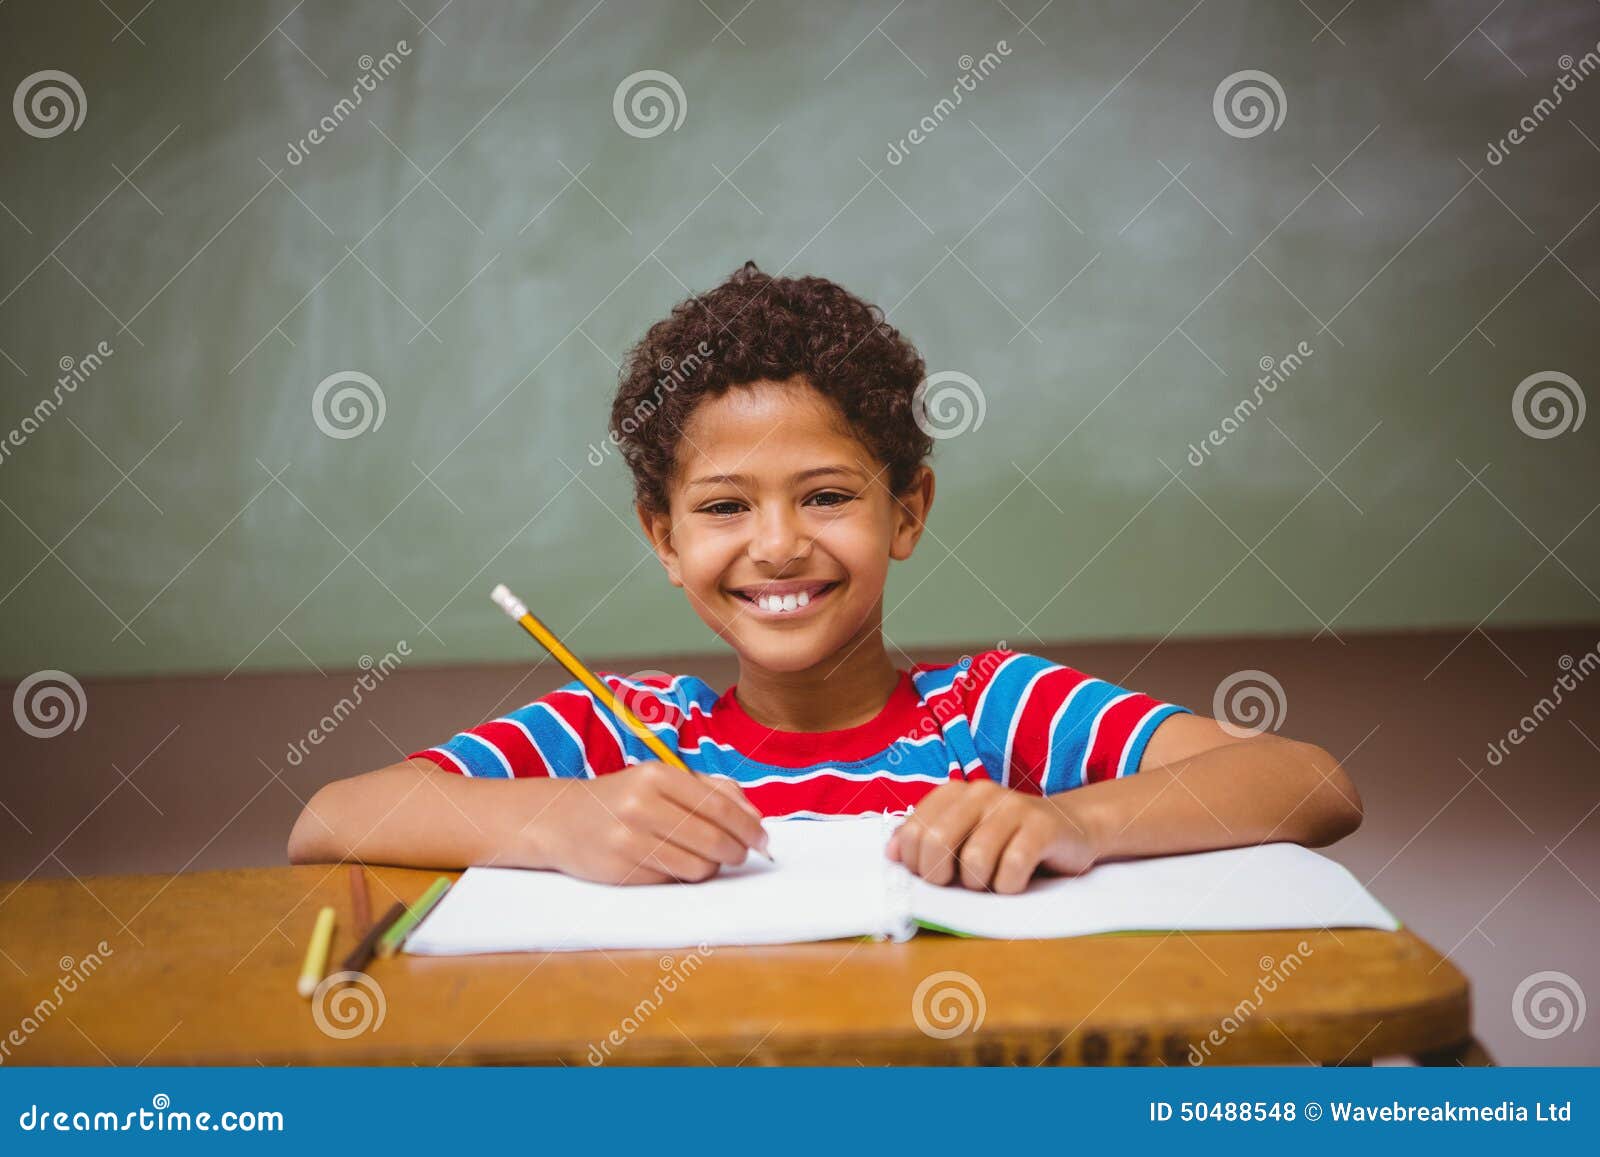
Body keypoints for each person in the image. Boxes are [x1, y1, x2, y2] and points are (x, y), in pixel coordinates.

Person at [288, 262, 1361, 893]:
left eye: (827, 495)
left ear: (908, 511)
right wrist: (558, 824)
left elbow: (1311, 784)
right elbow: (332, 818)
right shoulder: (623, 729)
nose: (778, 545)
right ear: (663, 538)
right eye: (723, 507)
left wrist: (1077, 824)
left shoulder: (996, 710)